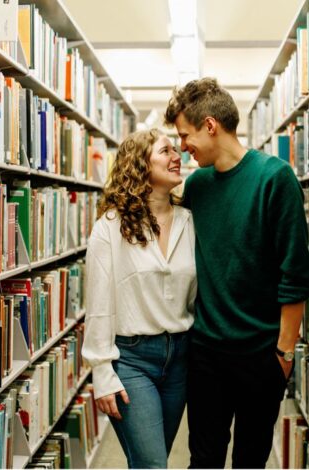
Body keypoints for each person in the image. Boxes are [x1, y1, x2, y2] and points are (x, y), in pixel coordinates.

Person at [164, 77, 309, 468]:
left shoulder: (275, 178)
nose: (182, 147)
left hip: (261, 356)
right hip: (206, 354)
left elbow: (295, 272)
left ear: (210, 125)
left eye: (185, 136)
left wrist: (283, 353)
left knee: (250, 460)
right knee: (204, 459)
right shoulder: (197, 185)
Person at [81, 128, 197, 468]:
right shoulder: (111, 226)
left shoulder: (190, 221)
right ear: (139, 165)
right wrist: (102, 372)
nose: (178, 156)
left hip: (180, 358)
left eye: (177, 149)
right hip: (131, 359)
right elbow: (99, 303)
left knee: (148, 460)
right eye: (166, 151)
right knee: (153, 465)